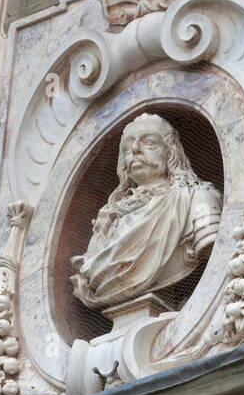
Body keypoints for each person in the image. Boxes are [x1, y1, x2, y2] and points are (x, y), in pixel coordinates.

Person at [70, 113, 221, 311]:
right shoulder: (109, 220)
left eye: (149, 142)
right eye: (128, 146)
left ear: (170, 153)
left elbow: (214, 252)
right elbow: (90, 271)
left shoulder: (197, 199)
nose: (135, 150)